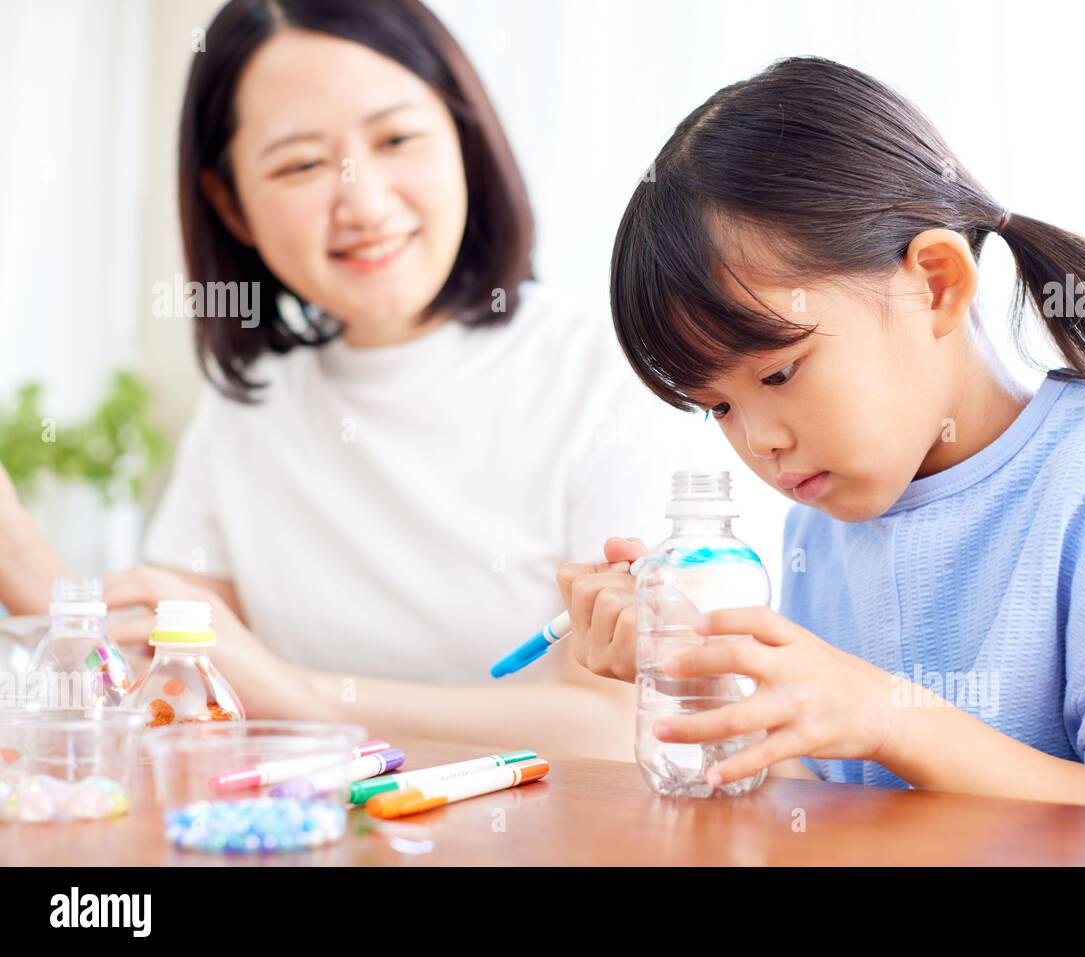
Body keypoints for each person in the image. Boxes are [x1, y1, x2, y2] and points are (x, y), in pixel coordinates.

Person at [559, 57, 1085, 815]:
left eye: (779, 375)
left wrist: (882, 714)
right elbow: (840, 809)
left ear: (936, 283)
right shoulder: (820, 521)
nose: (760, 441)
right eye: (716, 407)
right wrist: (713, 685)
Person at [8, 0, 717, 762]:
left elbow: (628, 725)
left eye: (398, 138)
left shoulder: (610, 377)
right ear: (230, 203)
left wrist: (295, 694)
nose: (366, 203)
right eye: (302, 165)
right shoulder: (249, 407)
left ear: (464, 137)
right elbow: (169, 682)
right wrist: (19, 560)